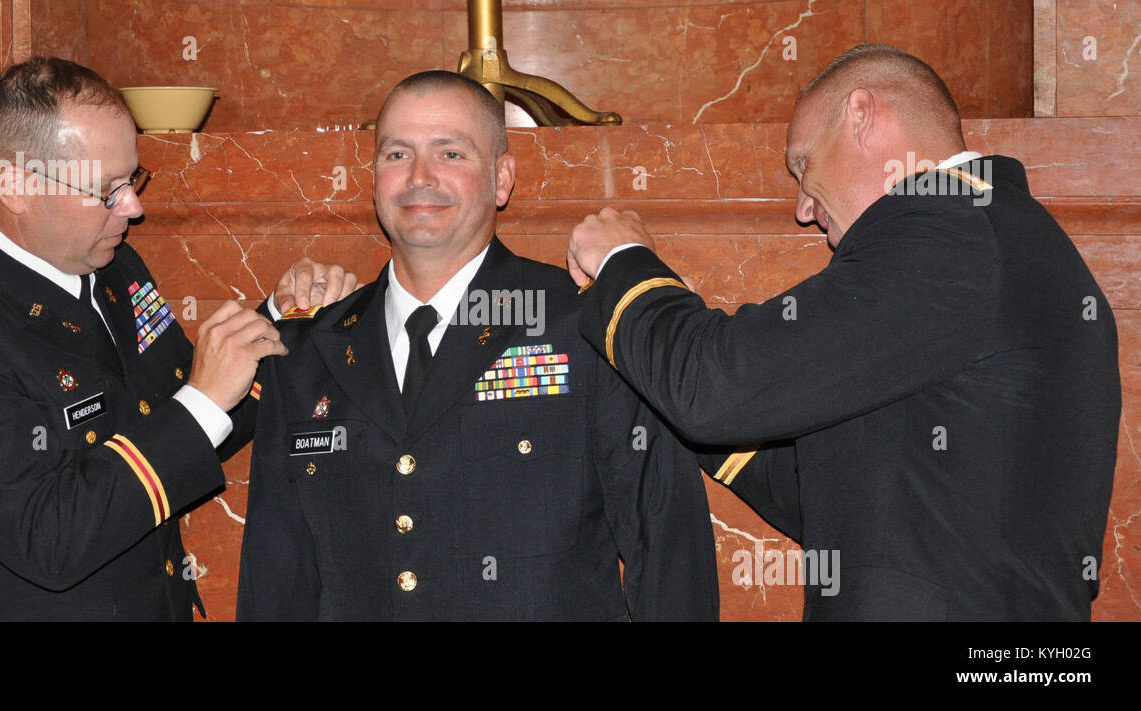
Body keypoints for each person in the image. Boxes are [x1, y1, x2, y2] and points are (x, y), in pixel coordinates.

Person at [566, 44, 1120, 621]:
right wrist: (667, 384)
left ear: (862, 114)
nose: (804, 208)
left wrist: (624, 262)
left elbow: (719, 386)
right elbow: (840, 500)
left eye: (802, 165)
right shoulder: (986, 234)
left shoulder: (952, 230)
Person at [0, 57, 353, 620]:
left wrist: (283, 322)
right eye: (107, 191)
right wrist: (200, 401)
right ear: (16, 184)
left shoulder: (117, 272)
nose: (134, 207)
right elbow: (51, 539)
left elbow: (192, 426)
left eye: (134, 180)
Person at [236, 70, 719, 621]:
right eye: (397, 154)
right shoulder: (309, 351)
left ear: (501, 177)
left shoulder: (584, 325)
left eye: (450, 154)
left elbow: (666, 543)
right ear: (373, 178)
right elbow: (277, 573)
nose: (420, 177)